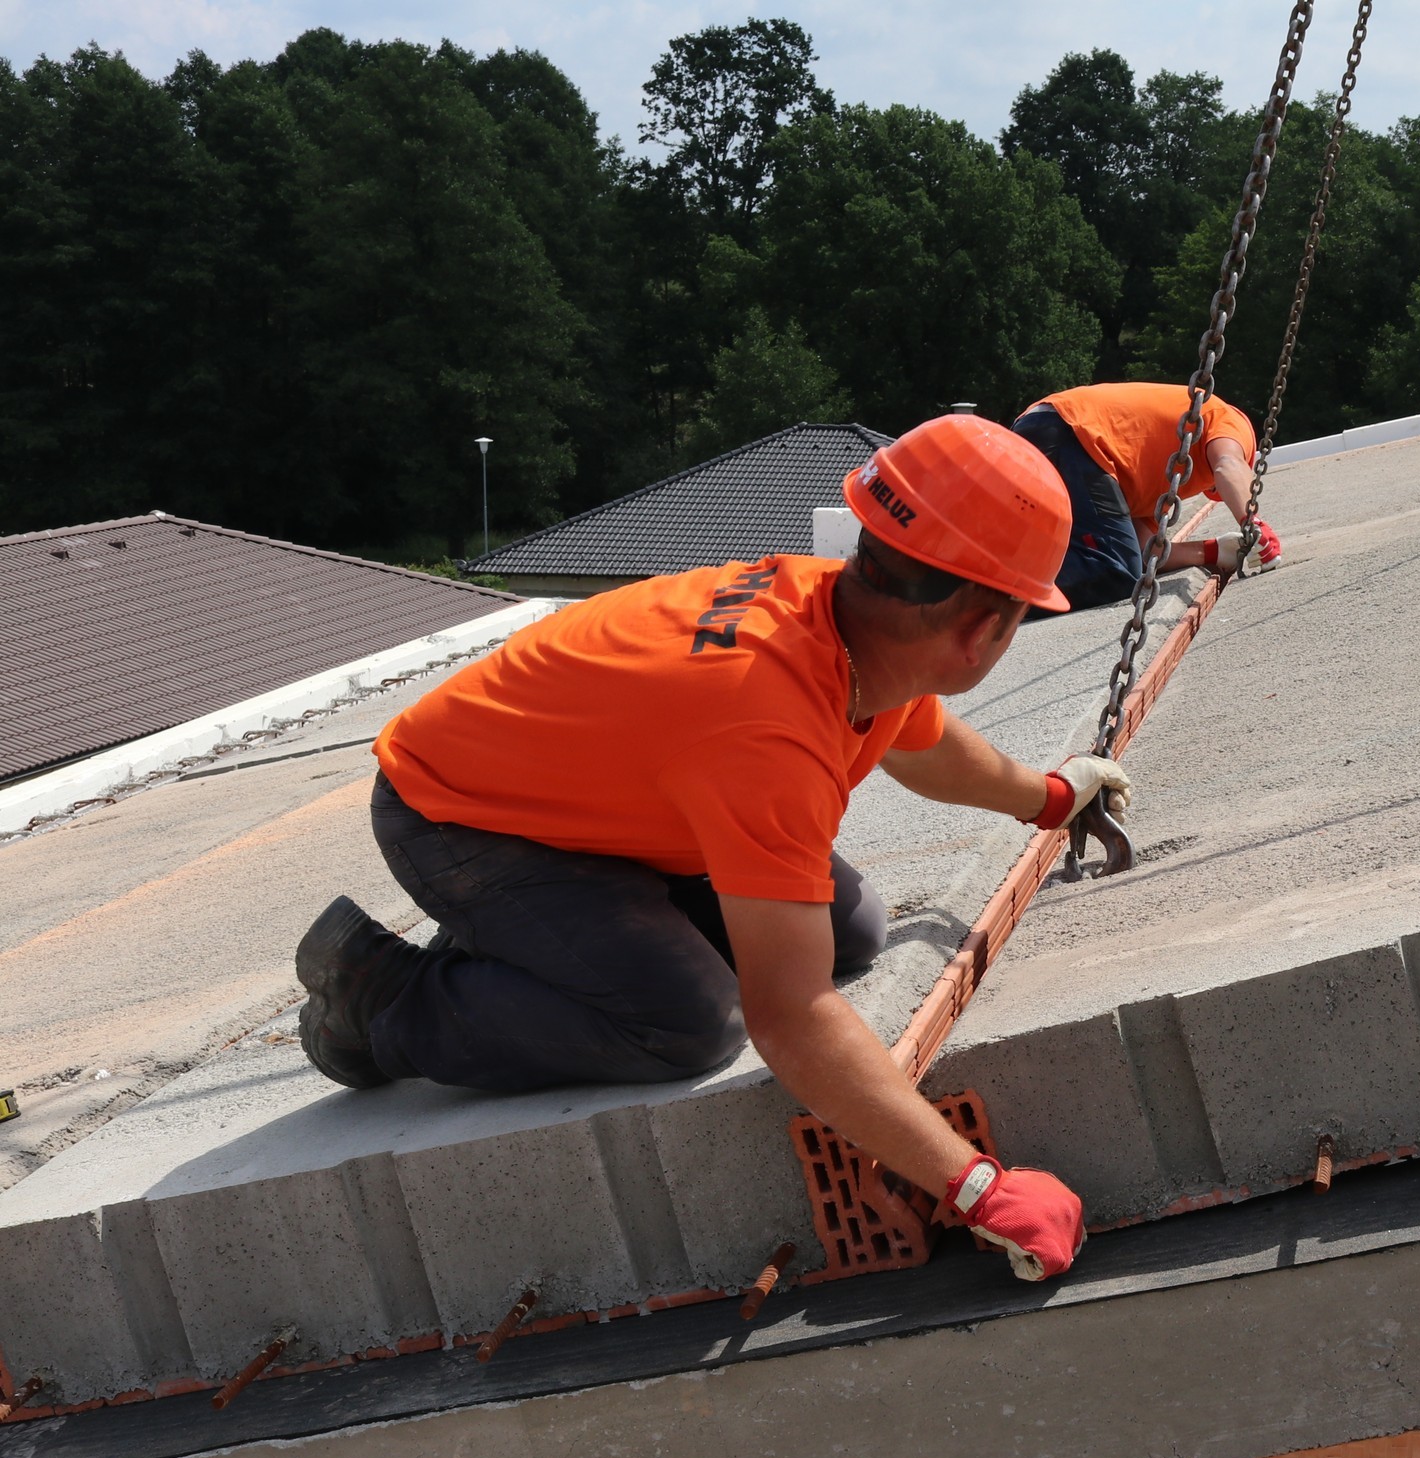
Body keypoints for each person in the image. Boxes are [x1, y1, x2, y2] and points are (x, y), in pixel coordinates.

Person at [292, 415, 1103, 1281]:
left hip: (593, 793)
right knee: (691, 1019)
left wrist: (1049, 798)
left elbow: (928, 742)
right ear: (984, 630)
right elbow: (787, 1015)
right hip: (463, 818)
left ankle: (556, 939)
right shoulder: (768, 731)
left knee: (854, 926)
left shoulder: (847, 617)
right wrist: (976, 1185)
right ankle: (381, 998)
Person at [1011, 383, 1284, 610]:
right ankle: (1010, 590)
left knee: (1123, 564)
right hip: (1070, 432)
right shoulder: (1226, 418)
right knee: (1114, 573)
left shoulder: (1153, 474)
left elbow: (1144, 553)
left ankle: (1009, 580)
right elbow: (1228, 465)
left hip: (1048, 427)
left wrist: (1212, 551)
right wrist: (1254, 523)